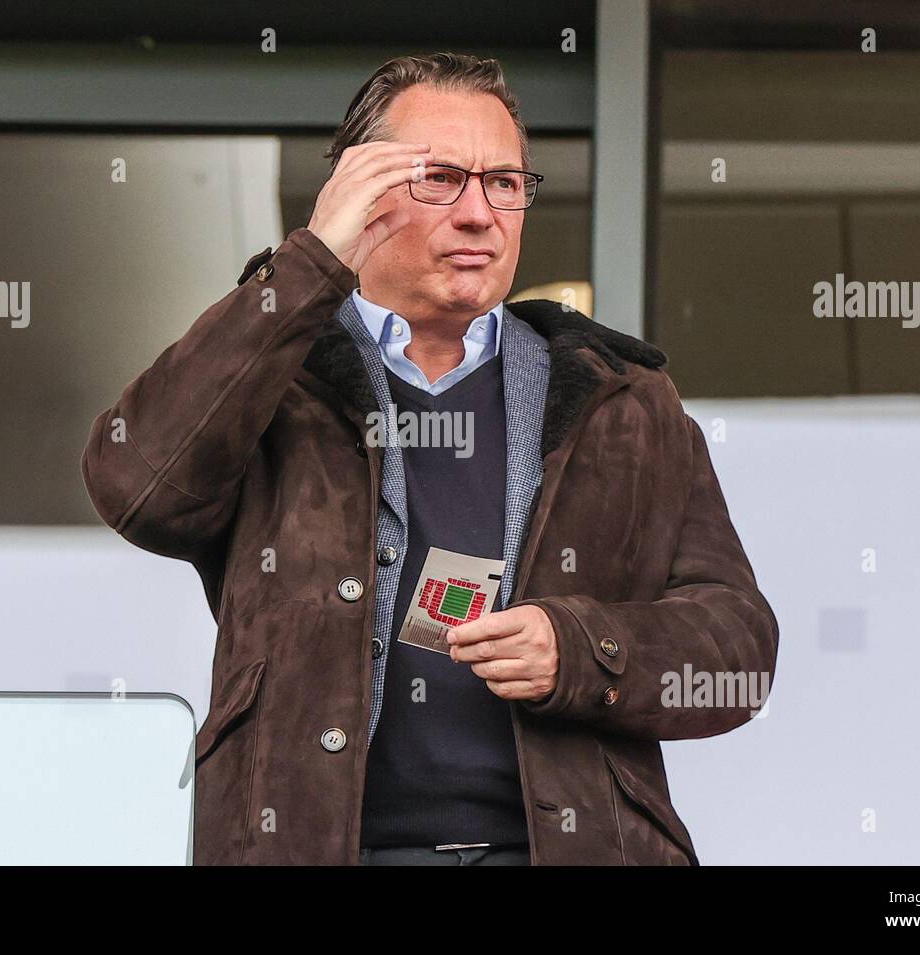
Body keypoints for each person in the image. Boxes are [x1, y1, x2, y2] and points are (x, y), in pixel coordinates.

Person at [81, 52, 779, 866]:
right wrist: (310, 262)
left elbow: (738, 646)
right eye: (440, 178)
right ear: (357, 191)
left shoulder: (618, 397)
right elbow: (136, 485)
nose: (480, 213)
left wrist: (583, 649)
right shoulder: (274, 372)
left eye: (505, 183)